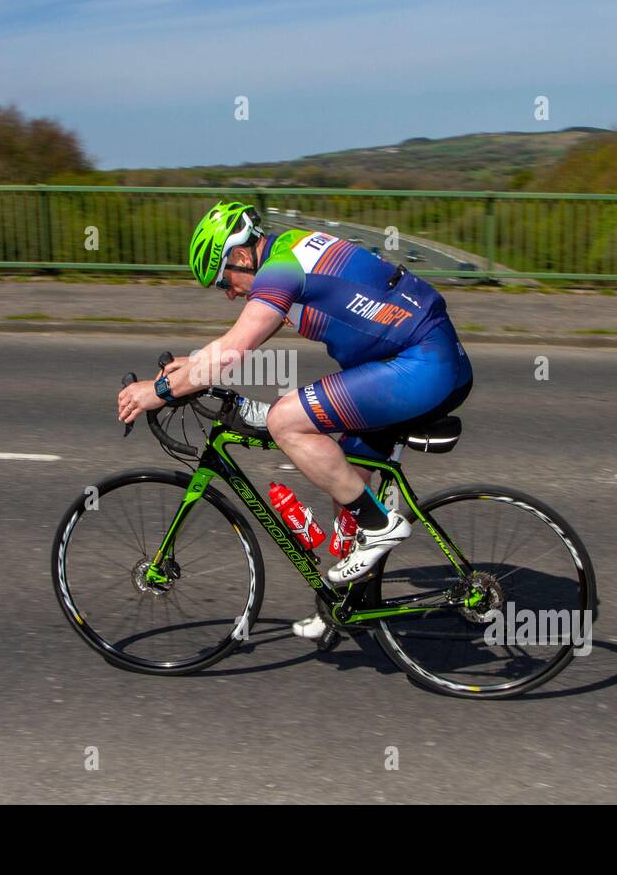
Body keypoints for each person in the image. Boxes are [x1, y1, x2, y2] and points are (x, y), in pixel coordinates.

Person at [116, 201, 473, 640]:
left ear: (241, 256)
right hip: (430, 356)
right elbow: (241, 338)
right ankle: (344, 605)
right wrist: (192, 366)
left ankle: (382, 527)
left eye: (223, 280)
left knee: (287, 420)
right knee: (344, 482)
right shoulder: (290, 250)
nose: (228, 292)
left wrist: (154, 393)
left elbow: (233, 350)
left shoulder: (280, 270)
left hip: (420, 366)